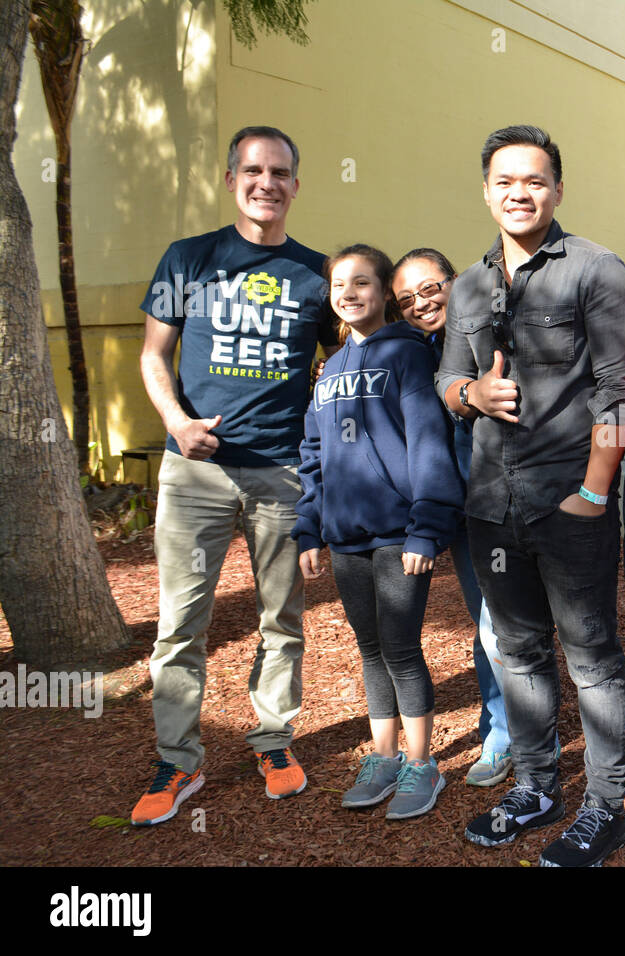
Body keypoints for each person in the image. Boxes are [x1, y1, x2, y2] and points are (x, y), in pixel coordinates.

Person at [435, 125, 625, 867]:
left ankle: (605, 808)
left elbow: (620, 396)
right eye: (504, 180)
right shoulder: (468, 285)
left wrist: (593, 493)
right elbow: (446, 382)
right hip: (490, 504)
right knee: (516, 652)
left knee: (591, 658)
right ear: (486, 190)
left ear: (557, 188)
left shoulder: (597, 270)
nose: (519, 192)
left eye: (535, 180)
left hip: (569, 503)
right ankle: (537, 787)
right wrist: (472, 392)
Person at [133, 126, 334, 826]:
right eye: (252, 170)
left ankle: (273, 739)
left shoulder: (316, 273)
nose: (266, 182)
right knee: (181, 623)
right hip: (196, 472)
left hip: (281, 474)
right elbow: (154, 356)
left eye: (280, 171)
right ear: (231, 180)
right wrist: (177, 422)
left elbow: (348, 359)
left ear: (296, 185)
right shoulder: (189, 259)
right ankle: (178, 762)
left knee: (282, 618)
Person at [294, 244, 463, 819]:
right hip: (344, 538)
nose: (349, 292)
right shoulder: (331, 368)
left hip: (398, 534)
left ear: (384, 292)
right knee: (370, 650)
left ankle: (422, 764)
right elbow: (313, 453)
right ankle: (384, 756)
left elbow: (428, 443)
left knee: (401, 648)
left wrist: (425, 529)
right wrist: (308, 529)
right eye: (340, 283)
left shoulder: (407, 355)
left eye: (363, 282)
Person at [392, 247, 532, 787]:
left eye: (430, 288)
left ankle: (517, 732)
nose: (421, 303)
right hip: (450, 509)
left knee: (509, 626)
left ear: (455, 283)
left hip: (503, 498)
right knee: (488, 623)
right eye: (406, 299)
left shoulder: (491, 335)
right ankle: (504, 728)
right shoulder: (411, 352)